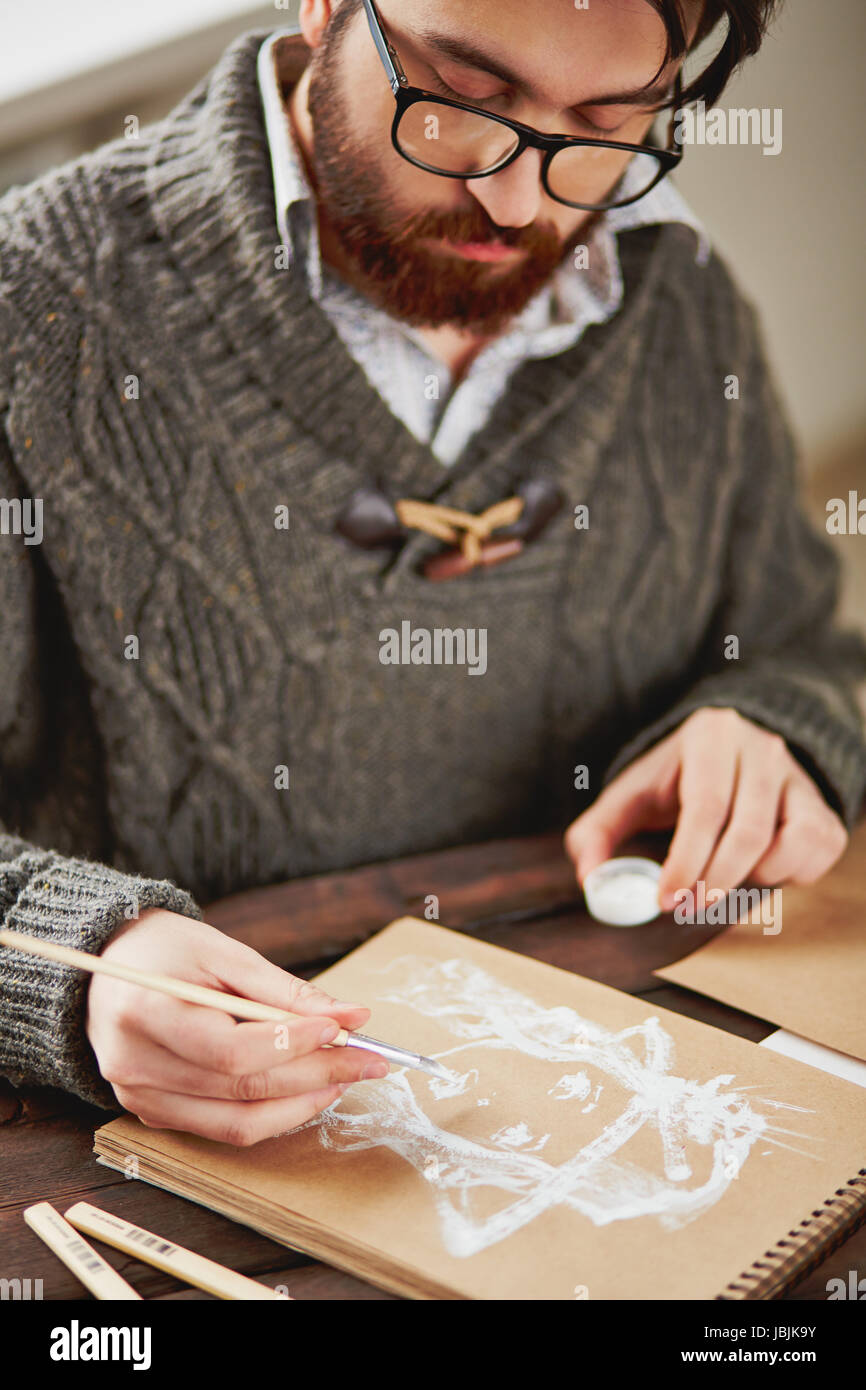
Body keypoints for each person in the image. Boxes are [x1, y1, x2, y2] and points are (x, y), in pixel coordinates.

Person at [0, 0, 863, 1147]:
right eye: (461, 103)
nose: (522, 203)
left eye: (607, 125)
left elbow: (798, 644)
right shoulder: (33, 313)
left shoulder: (676, 296)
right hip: (167, 1162)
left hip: (621, 1089)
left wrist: (775, 725)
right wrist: (71, 964)